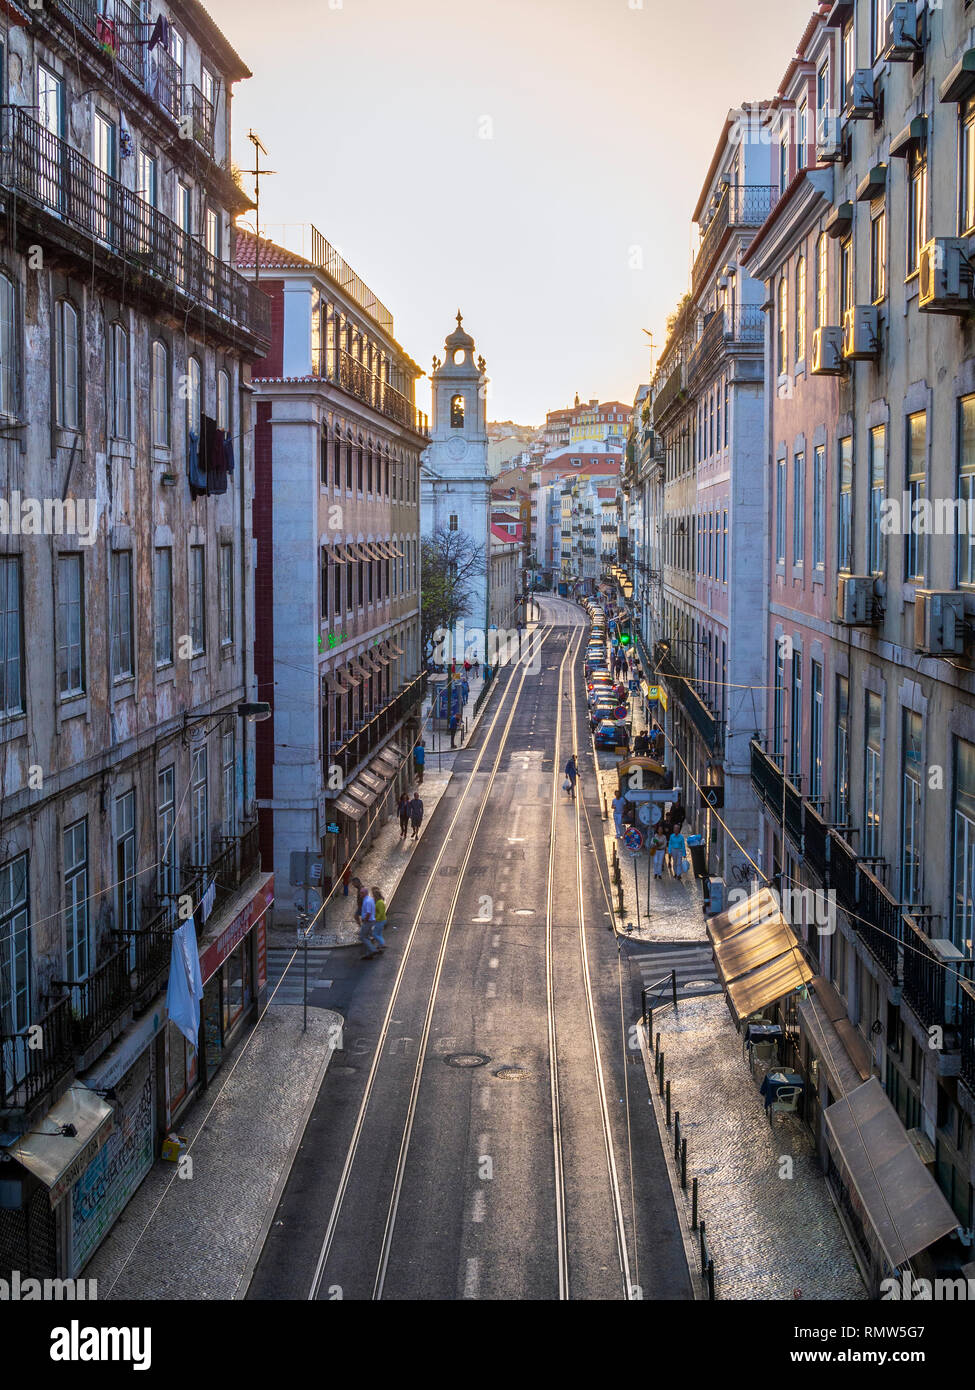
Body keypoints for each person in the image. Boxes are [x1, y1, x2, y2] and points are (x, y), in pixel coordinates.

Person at [359, 887, 382, 958]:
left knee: (362, 937)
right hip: (371, 921)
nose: (360, 894)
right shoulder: (370, 899)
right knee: (368, 936)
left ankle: (373, 950)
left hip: (368, 921)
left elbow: (368, 912)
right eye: (360, 892)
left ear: (365, 893)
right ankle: (369, 953)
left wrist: (365, 920)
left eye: (362, 893)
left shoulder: (367, 901)